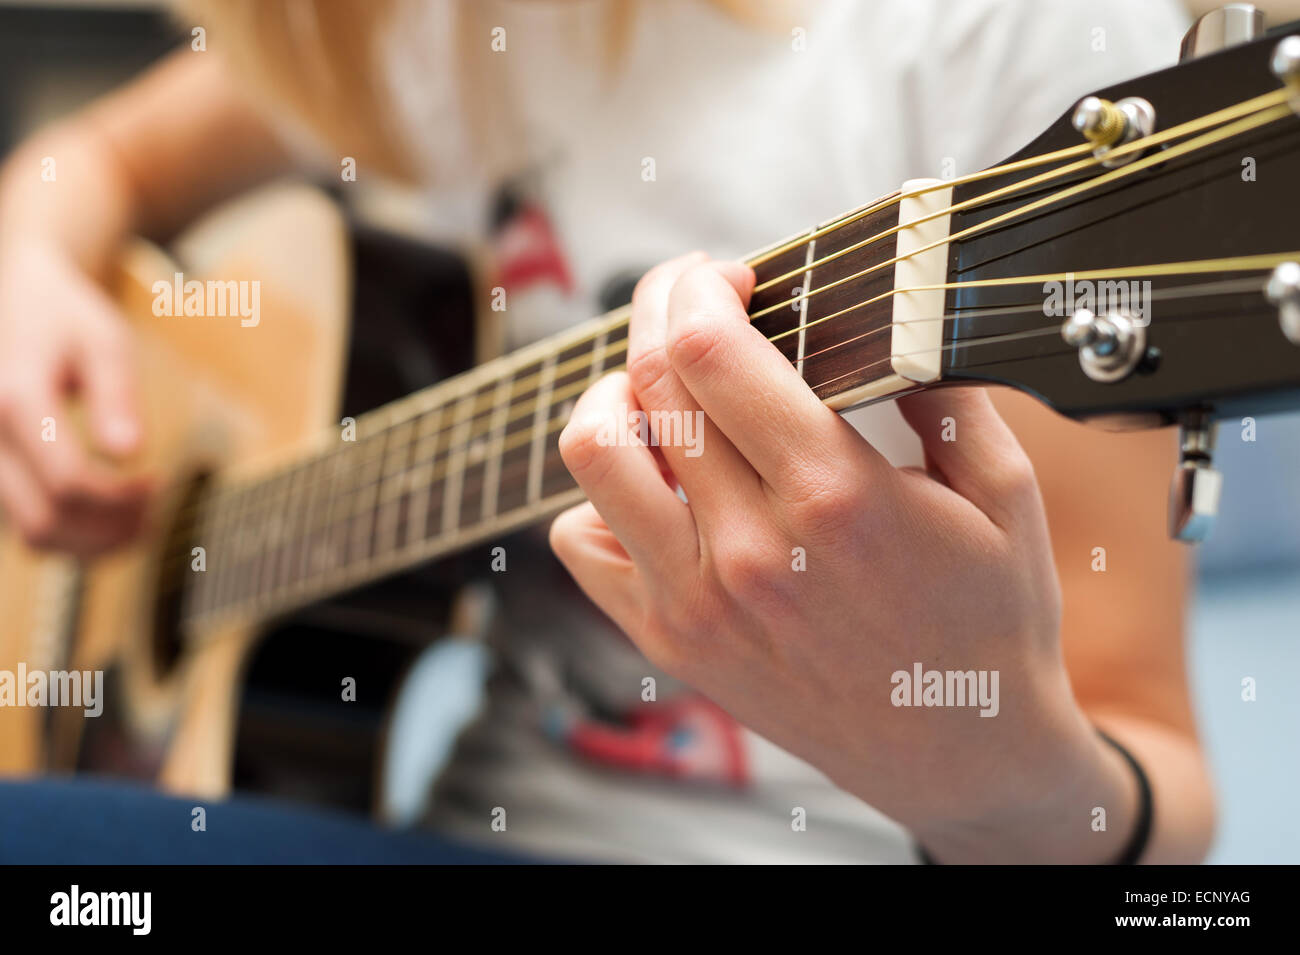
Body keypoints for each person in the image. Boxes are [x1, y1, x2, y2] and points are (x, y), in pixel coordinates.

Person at [0, 0, 1227, 863]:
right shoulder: (456, 28)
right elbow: (88, 160)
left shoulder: (1013, 33)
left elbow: (1153, 784)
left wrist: (985, 778)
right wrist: (30, 265)